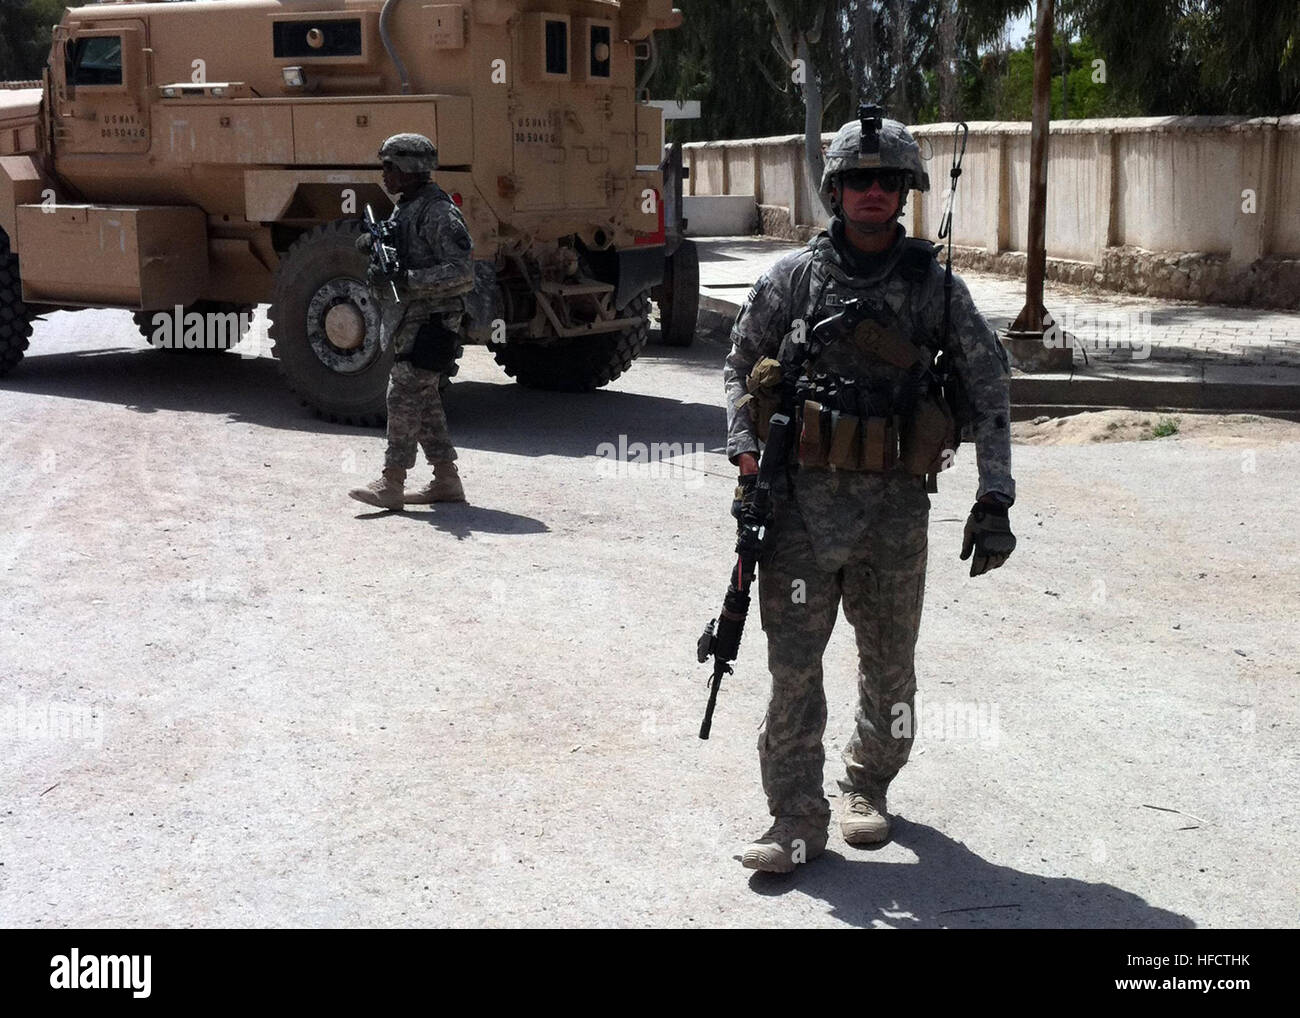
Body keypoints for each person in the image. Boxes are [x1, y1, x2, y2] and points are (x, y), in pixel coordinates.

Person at [723, 112, 1017, 874]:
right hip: (798, 513)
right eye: (859, 179)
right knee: (794, 670)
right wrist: (747, 457)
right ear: (836, 190)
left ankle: (866, 785)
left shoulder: (935, 291)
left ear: (909, 190)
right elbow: (737, 368)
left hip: (893, 513)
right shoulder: (791, 280)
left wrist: (995, 497)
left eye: (889, 180)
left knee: (889, 670)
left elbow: (989, 386)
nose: (874, 192)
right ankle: (794, 817)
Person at [349, 133, 474, 510]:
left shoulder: (439, 212)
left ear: (408, 168)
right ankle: (446, 479)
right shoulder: (407, 208)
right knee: (424, 399)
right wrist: (373, 246)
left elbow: (463, 272)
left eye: (389, 167)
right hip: (409, 319)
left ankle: (392, 482)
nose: (384, 175)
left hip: (432, 320)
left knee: (401, 397)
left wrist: (409, 280)